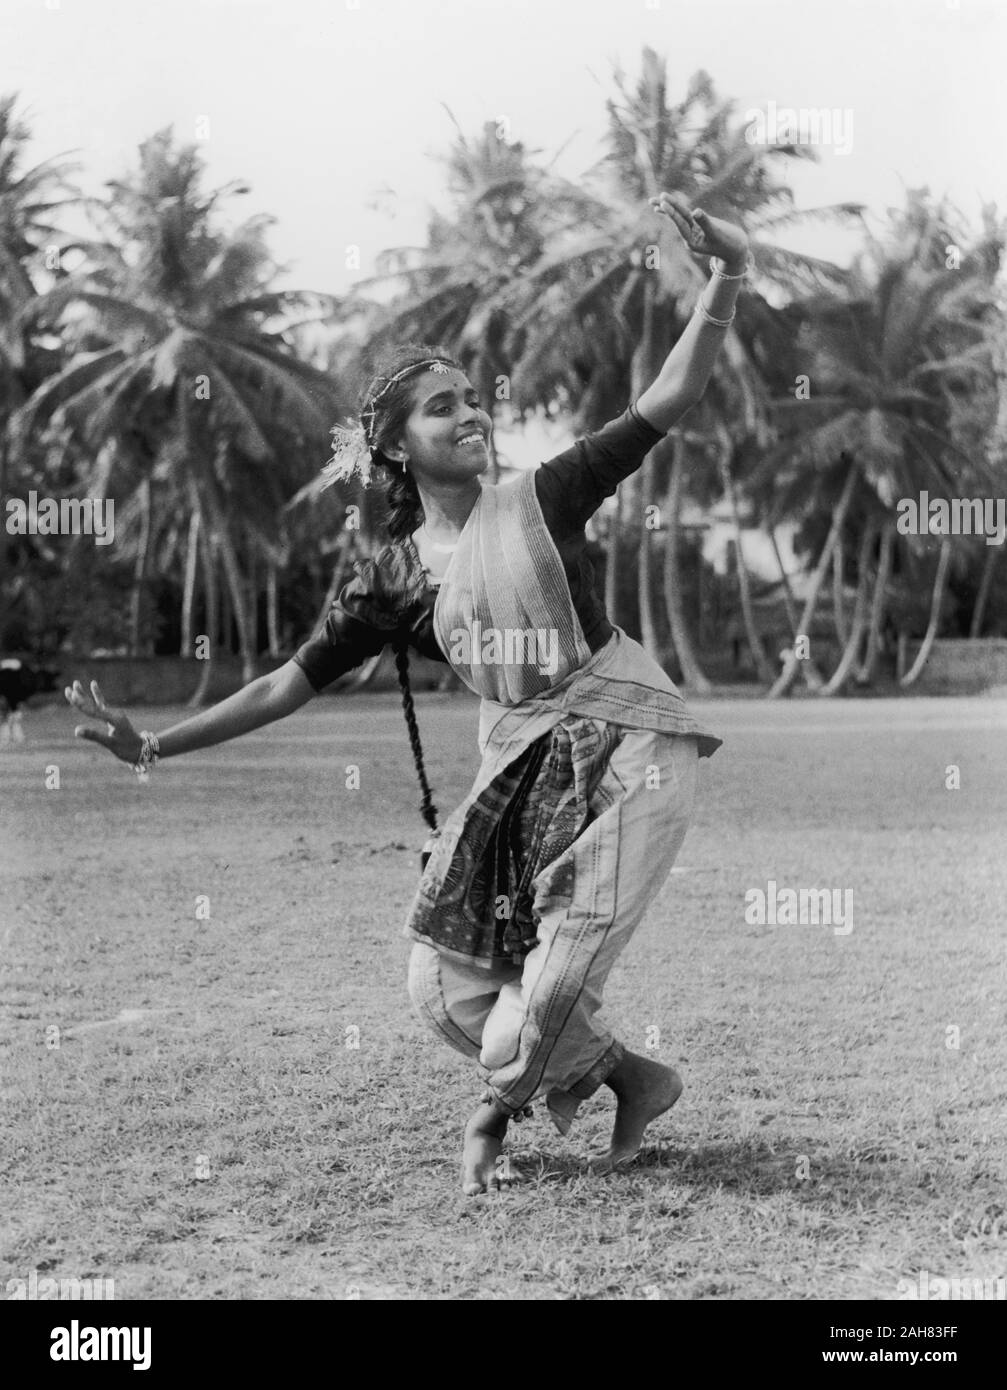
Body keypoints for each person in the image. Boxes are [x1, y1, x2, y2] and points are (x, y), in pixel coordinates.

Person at [66, 192, 750, 1195]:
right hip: (520, 771)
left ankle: (488, 1120)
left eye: (475, 397)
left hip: (629, 751)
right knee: (446, 991)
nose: (471, 411)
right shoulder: (389, 576)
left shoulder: (546, 494)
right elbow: (280, 682)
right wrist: (155, 746)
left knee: (546, 992)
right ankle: (637, 1078)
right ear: (393, 442)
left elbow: (666, 396)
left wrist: (727, 276)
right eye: (443, 405)